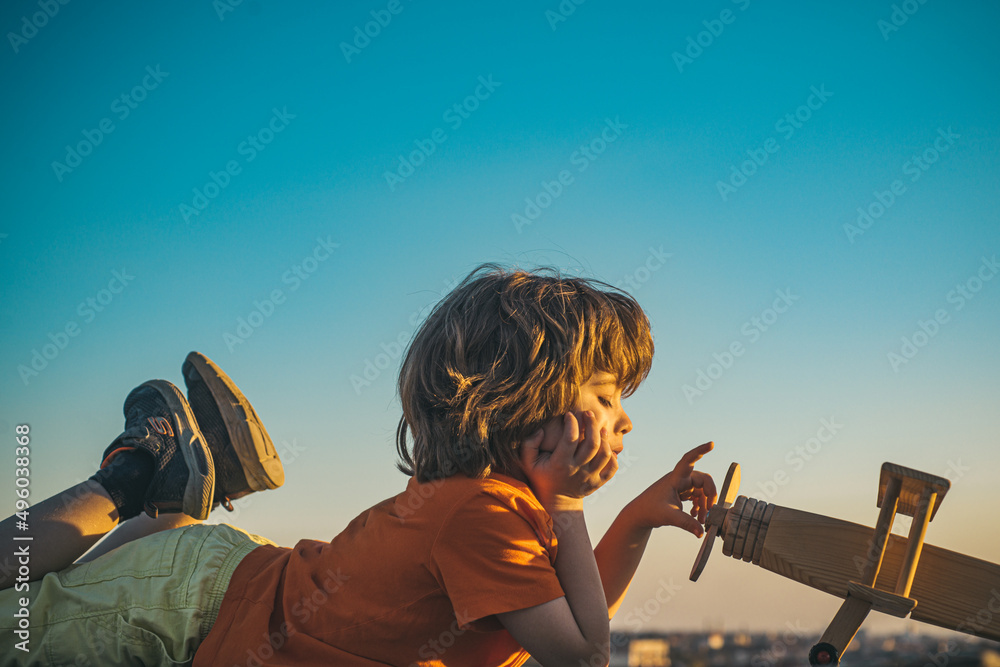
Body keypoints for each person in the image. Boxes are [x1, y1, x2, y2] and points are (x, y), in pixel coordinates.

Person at [0, 265, 717, 667]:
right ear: (526, 402)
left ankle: (168, 488)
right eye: (602, 394)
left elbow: (561, 615)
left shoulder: (491, 505)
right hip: (188, 605)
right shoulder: (480, 516)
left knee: (114, 558)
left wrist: (633, 519)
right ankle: (136, 474)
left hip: (221, 579)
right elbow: (581, 653)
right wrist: (574, 501)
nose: (623, 418)